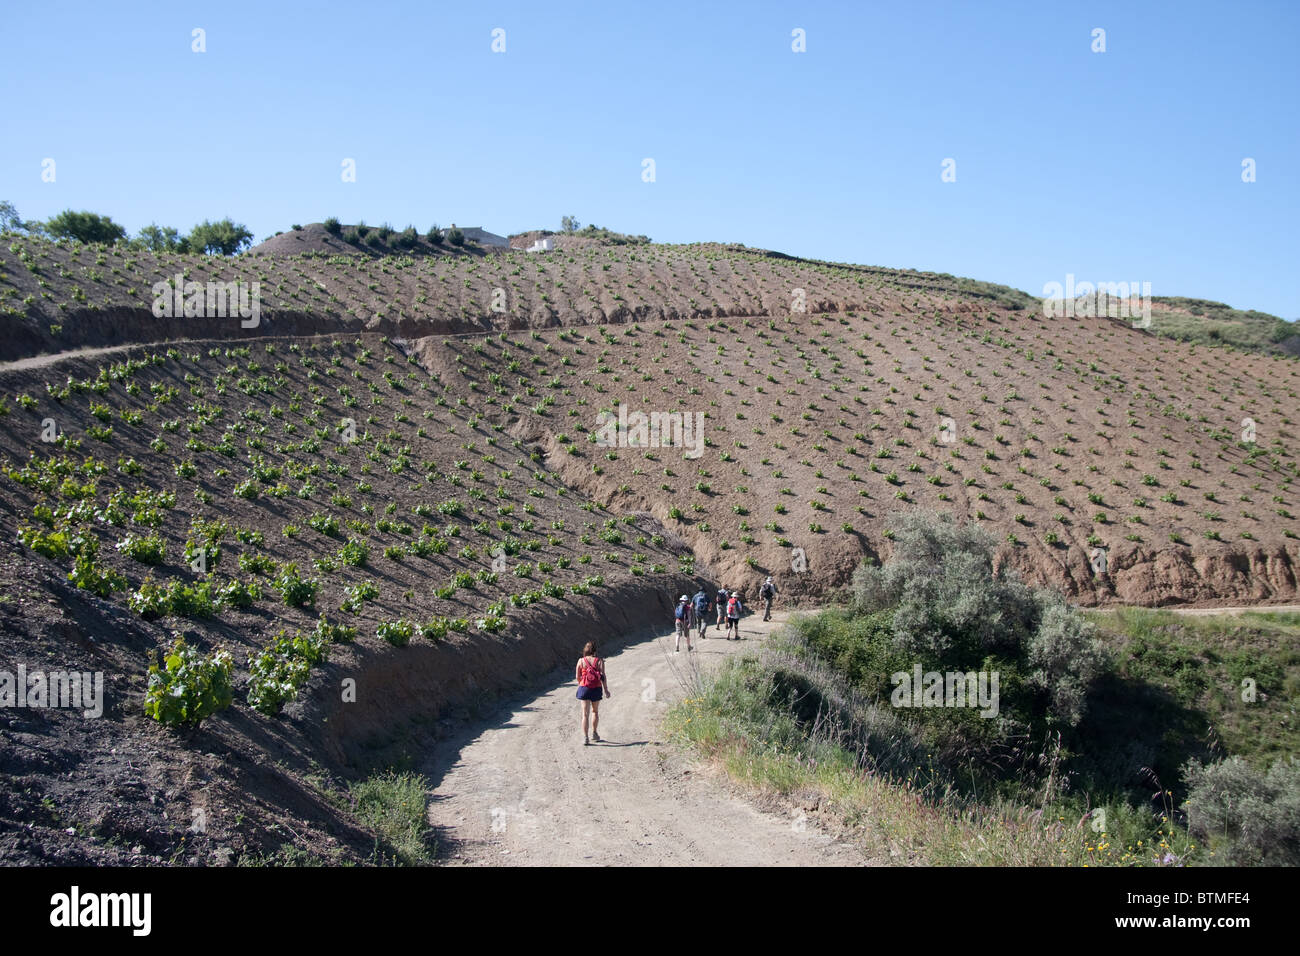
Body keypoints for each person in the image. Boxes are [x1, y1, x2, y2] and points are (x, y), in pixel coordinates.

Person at [575, 641, 610, 745]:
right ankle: (594, 734)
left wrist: (582, 683)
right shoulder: (599, 661)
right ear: (595, 650)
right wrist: (606, 690)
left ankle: (585, 737)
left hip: (584, 688)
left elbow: (577, 676)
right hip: (596, 688)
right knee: (595, 712)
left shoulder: (581, 661)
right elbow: (603, 676)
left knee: (585, 714)